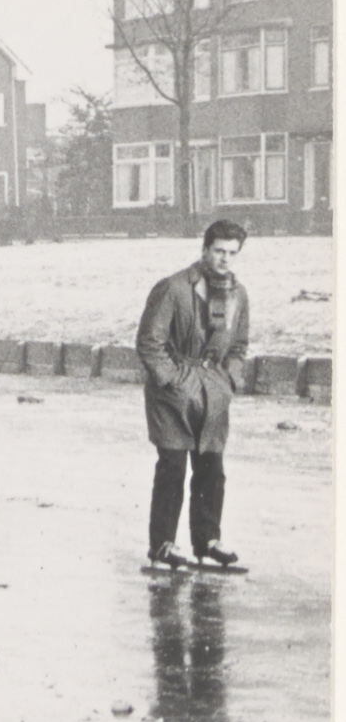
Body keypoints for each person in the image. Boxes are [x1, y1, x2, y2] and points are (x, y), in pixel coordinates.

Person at [136, 220, 250, 570]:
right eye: (219, 251)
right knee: (172, 467)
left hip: (212, 391)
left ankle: (208, 542)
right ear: (205, 249)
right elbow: (149, 342)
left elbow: (240, 345)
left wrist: (229, 379)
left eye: (232, 253)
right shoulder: (173, 288)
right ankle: (162, 546)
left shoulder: (238, 294)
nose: (225, 259)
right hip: (173, 393)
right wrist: (172, 379)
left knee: (211, 469)